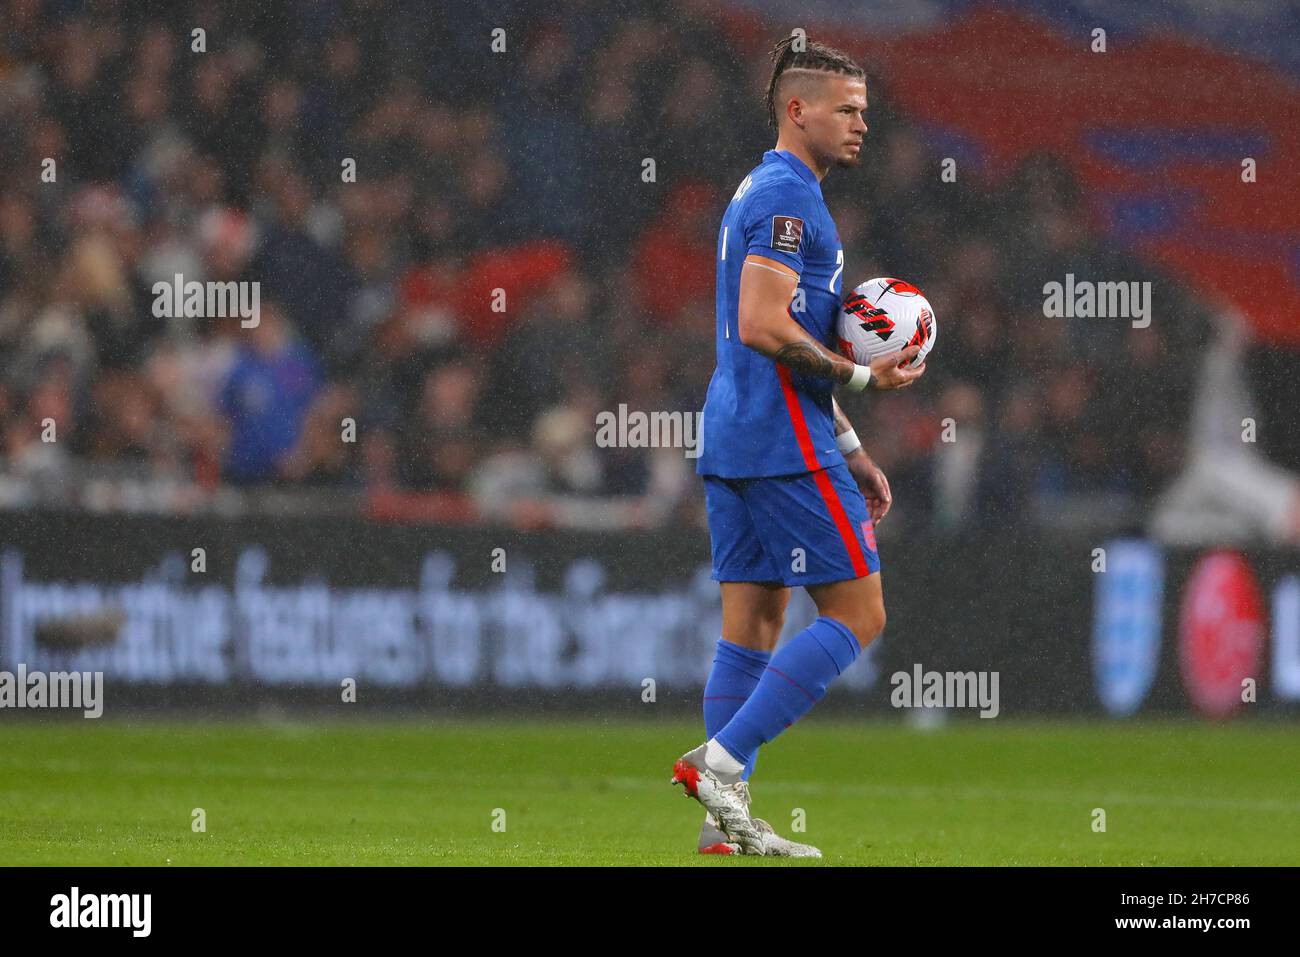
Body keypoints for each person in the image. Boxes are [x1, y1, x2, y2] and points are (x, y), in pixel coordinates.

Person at [670, 34, 926, 856]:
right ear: (796, 109)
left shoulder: (768, 189)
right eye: (846, 110)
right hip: (782, 443)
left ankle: (722, 824)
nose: (861, 125)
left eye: (865, 112)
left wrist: (849, 439)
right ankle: (721, 760)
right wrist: (858, 382)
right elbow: (761, 322)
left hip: (738, 433)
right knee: (859, 610)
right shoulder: (790, 200)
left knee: (753, 623)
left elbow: (780, 334)